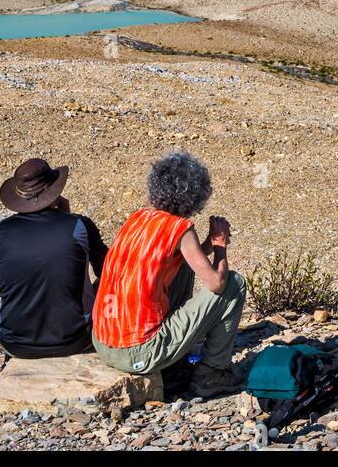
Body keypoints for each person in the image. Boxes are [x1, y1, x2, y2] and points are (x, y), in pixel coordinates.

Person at [92, 151, 246, 397]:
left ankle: (174, 364)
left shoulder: (137, 219)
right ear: (194, 195)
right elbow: (216, 283)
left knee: (183, 265)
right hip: (139, 352)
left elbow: (185, 256)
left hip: (103, 342)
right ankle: (212, 374)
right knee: (234, 284)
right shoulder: (180, 228)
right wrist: (219, 246)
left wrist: (206, 243)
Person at [0, 158, 106, 358]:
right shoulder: (80, 226)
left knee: (4, 304)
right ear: (55, 192)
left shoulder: (0, 232)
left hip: (14, 343)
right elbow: (107, 270)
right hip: (75, 340)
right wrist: (66, 216)